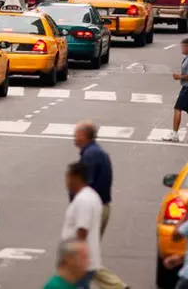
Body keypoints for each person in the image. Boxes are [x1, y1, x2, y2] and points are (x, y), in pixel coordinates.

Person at [72, 122, 127, 289]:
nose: (74, 137)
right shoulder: (94, 152)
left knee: (84, 256)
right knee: (85, 256)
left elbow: (84, 185)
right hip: (99, 207)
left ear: (84, 135)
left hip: (93, 210)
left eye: (76, 134)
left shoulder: (91, 155)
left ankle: (117, 286)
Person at [62, 162, 103, 288]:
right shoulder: (91, 196)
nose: (66, 181)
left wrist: (74, 260)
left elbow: (82, 230)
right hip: (85, 262)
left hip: (80, 264)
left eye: (68, 177)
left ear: (76, 177)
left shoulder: (83, 200)